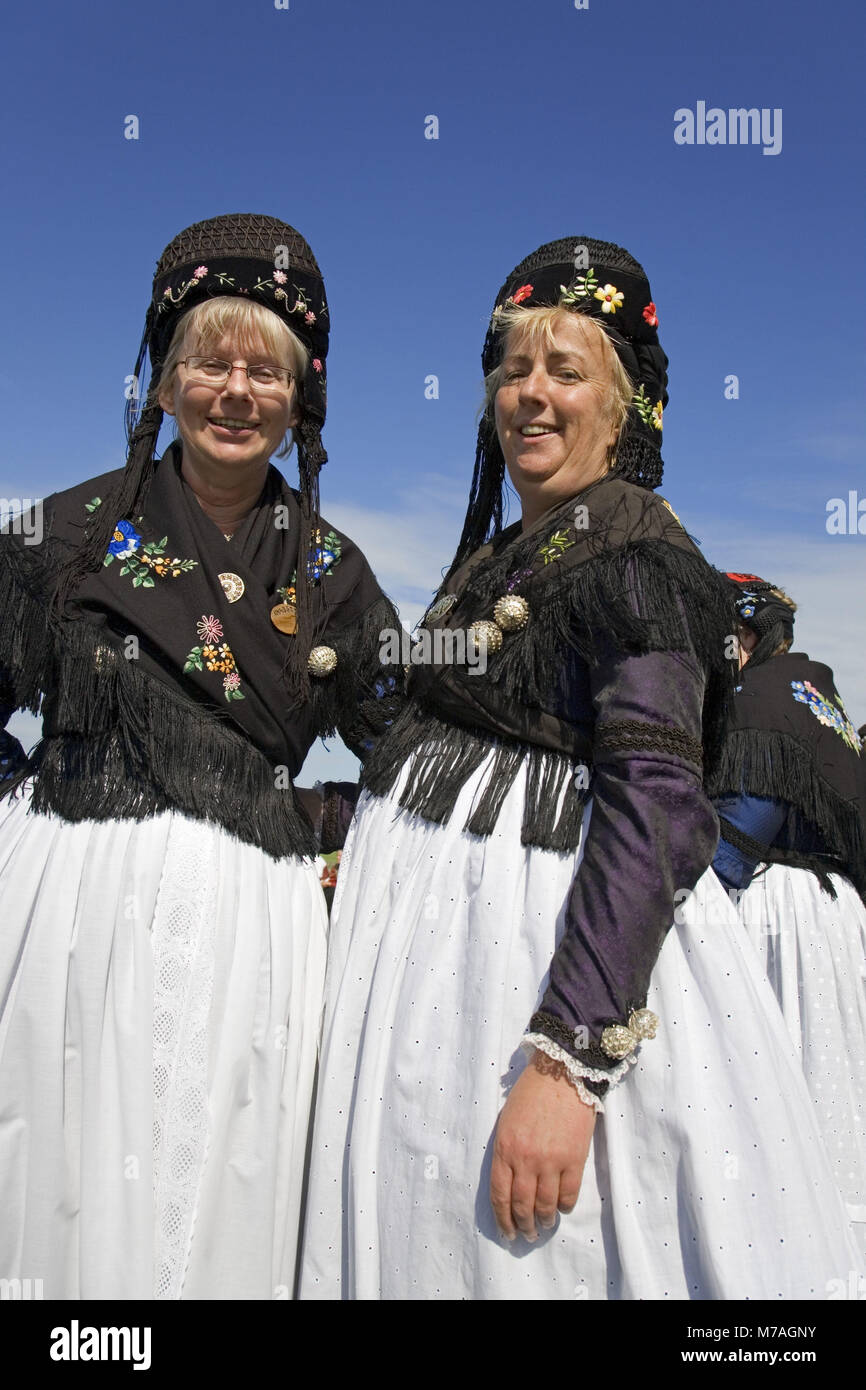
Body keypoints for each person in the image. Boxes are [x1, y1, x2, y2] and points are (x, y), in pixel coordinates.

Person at [300, 237, 862, 1300]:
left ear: (625, 407)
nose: (529, 395)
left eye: (565, 370)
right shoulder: (496, 563)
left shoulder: (639, 557)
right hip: (440, 1005)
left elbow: (658, 805)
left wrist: (565, 1067)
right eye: (512, 370)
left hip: (540, 994)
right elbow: (424, 753)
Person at [0, 213, 402, 1299]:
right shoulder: (65, 534)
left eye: (263, 370)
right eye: (210, 362)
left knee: (218, 1192)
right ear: (166, 381)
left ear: (297, 398)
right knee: (65, 1182)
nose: (236, 391)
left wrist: (324, 820)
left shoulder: (334, 573)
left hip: (252, 931)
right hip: (72, 916)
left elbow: (411, 751)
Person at [710, 574, 866, 1248]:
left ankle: (789, 1257)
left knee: (773, 1094)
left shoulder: (759, 698)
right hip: (834, 912)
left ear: (747, 637)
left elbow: (735, 843)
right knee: (831, 1085)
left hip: (781, 913)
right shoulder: (820, 698)